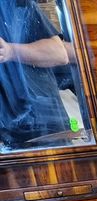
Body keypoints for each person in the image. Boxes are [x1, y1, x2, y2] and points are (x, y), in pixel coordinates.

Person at [0, 0, 71, 150]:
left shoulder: (17, 4)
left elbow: (59, 53)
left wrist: (11, 51)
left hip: (44, 129)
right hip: (6, 139)